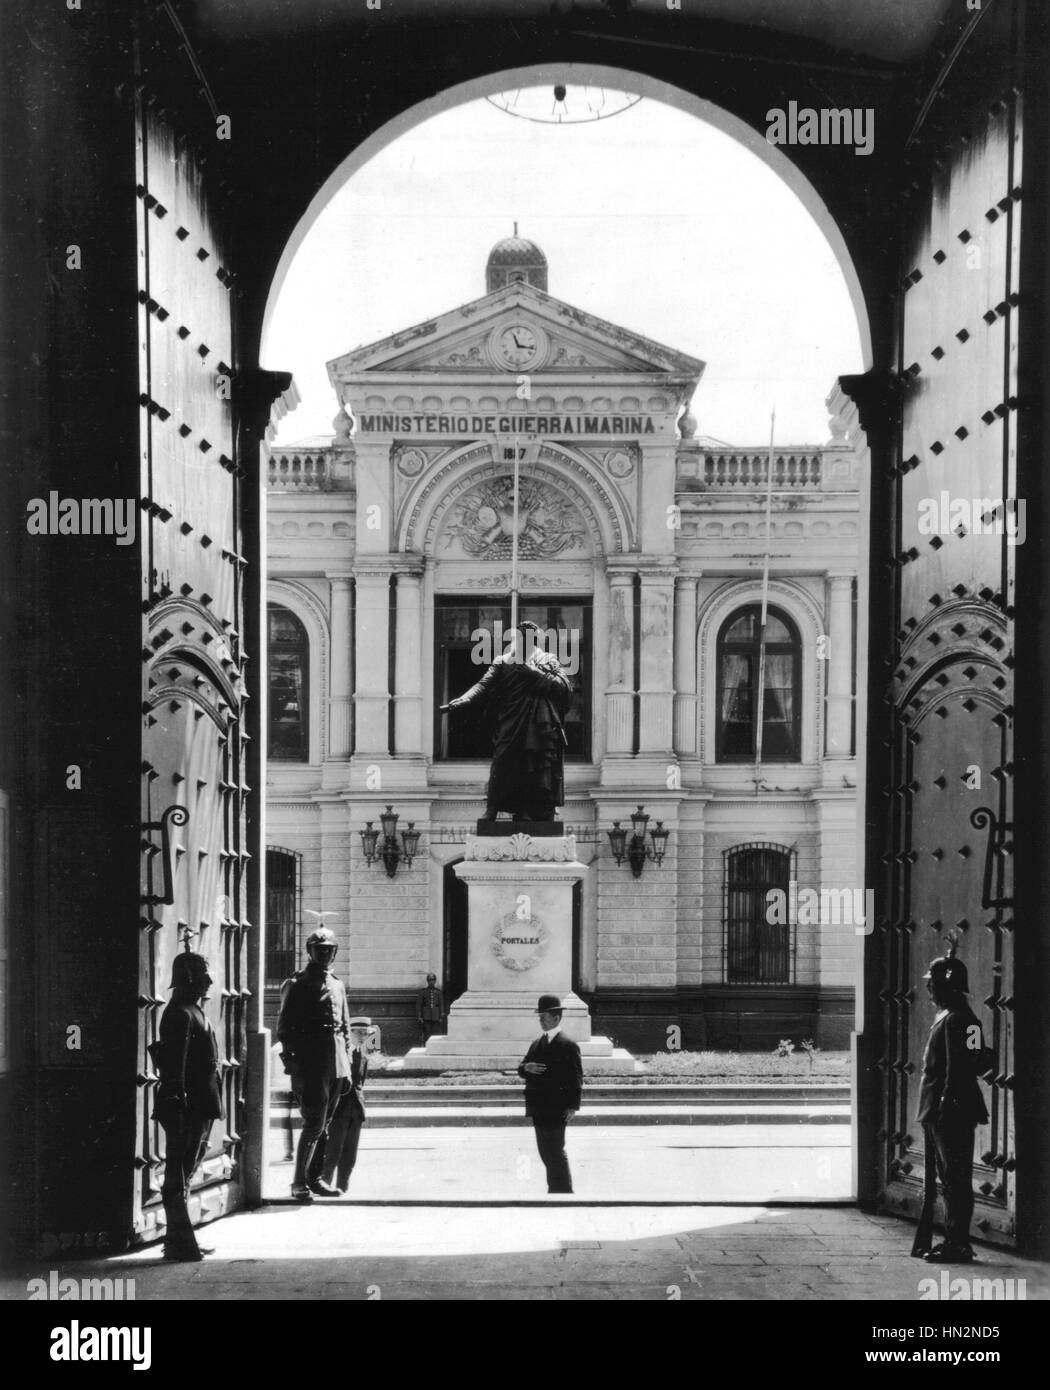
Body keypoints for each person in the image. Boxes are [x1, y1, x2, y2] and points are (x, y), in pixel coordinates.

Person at [440, 621, 571, 822]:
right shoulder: (503, 661)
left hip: (536, 723)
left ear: (534, 640)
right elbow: (483, 684)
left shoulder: (547, 659)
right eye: (518, 638)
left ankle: (525, 811)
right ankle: (492, 808)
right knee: (501, 762)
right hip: (510, 720)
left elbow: (564, 687)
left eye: (526, 638)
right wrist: (464, 698)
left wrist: (534, 673)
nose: (520, 642)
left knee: (532, 765)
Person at [914, 940, 990, 1263]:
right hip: (941, 1109)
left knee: (954, 1180)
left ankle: (958, 1242)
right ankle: (953, 1238)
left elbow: (967, 1065)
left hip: (951, 1110)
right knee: (949, 1178)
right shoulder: (952, 1015)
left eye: (932, 984)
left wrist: (944, 1107)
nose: (929, 990)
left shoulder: (963, 1019)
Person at [152, 951, 224, 1262]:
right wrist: (176, 1099)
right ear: (189, 978)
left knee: (185, 1170)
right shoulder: (180, 1013)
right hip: (188, 1103)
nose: (208, 981)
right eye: (202, 975)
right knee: (178, 1173)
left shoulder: (191, 1010)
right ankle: (180, 1241)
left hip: (200, 1101)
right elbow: (174, 1065)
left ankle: (178, 1239)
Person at [276, 926, 352, 1202]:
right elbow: (284, 1030)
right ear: (309, 951)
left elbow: (344, 1028)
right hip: (311, 1066)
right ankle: (298, 1183)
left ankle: (315, 1179)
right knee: (313, 1125)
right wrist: (295, 1066)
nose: (324, 954)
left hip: (336, 1066)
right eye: (319, 950)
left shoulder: (338, 984)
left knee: (325, 1125)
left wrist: (347, 1068)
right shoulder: (297, 984)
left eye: (329, 950)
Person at [517, 993, 583, 1194]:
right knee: (545, 1151)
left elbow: (576, 1077)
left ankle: (563, 1191)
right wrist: (526, 1067)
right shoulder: (537, 1043)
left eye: (544, 1017)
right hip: (538, 1106)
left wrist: (573, 1105)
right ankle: (554, 1188)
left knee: (555, 1150)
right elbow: (521, 1068)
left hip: (557, 1106)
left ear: (556, 1018)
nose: (541, 1021)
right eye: (540, 1017)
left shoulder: (568, 1045)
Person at [321, 1016, 374, 1194]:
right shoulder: (340, 1053)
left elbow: (361, 1084)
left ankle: (342, 1188)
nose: (362, 1037)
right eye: (359, 1033)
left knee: (350, 1155)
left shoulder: (363, 1055)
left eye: (366, 1034)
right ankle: (324, 1185)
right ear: (349, 1033)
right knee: (333, 1152)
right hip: (339, 1109)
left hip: (356, 1111)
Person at [417, 973, 445, 1044]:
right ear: (427, 981)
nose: (431, 982)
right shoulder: (423, 992)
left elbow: (441, 1004)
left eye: (433, 980)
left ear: (435, 981)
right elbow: (419, 1005)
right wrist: (419, 1016)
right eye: (429, 980)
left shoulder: (438, 992)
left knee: (436, 1034)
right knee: (427, 1034)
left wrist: (441, 1015)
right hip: (426, 1017)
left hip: (436, 1017)